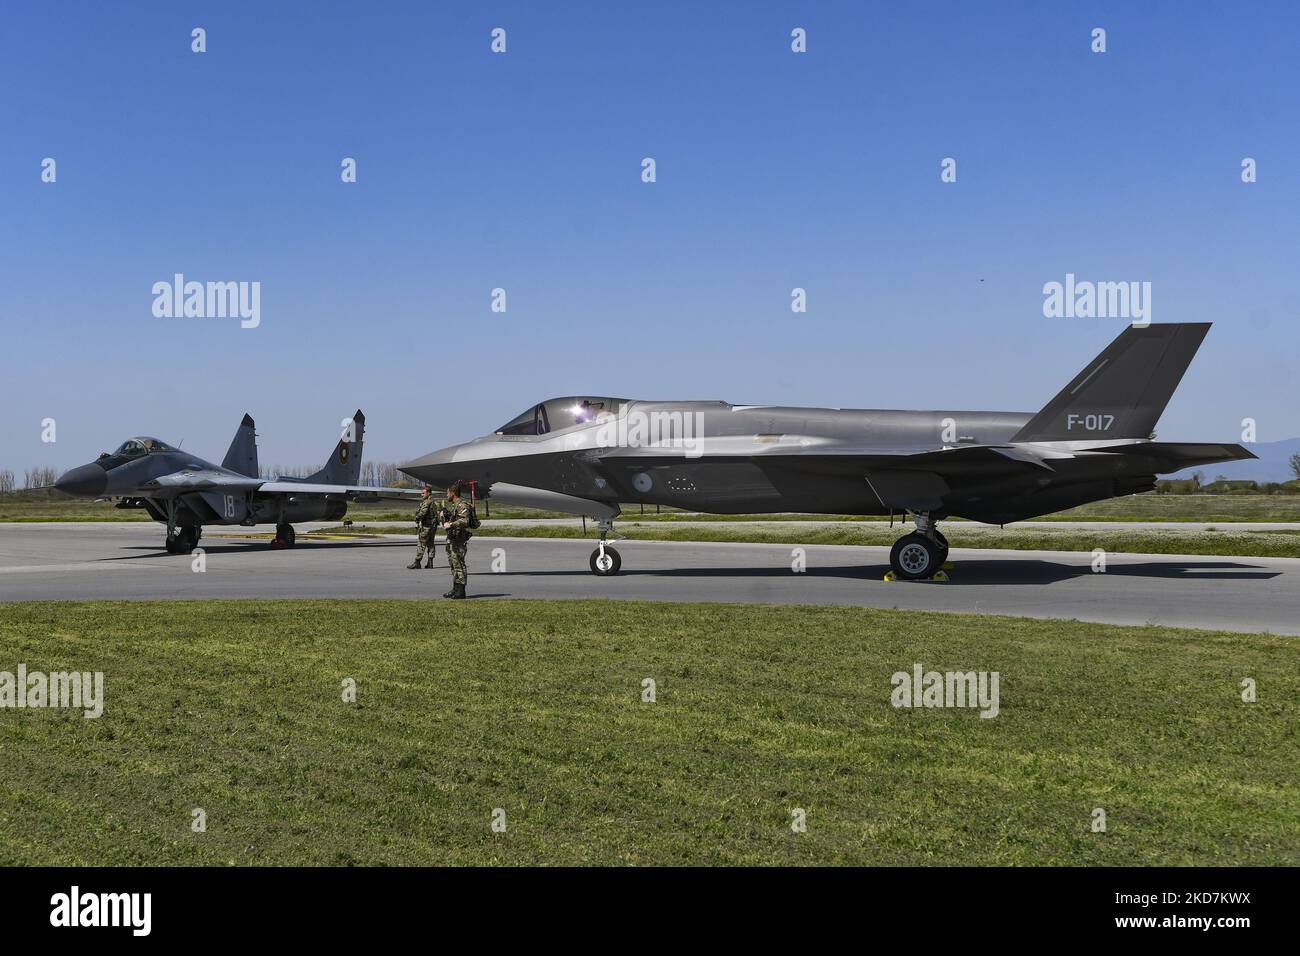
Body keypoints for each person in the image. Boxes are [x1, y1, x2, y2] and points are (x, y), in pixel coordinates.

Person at [441, 481, 472, 598]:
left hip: (459, 540)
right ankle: (455, 588)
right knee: (453, 564)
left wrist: (451, 524)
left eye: (447, 493)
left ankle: (461, 590)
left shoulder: (462, 505)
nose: (447, 495)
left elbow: (465, 521)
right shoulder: (455, 506)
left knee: (459, 564)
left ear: (453, 493)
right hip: (452, 538)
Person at [407, 486, 440, 569]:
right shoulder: (434, 502)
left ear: (428, 493)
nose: (421, 495)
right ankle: (430, 562)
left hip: (426, 526)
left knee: (421, 543)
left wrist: (417, 518)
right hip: (433, 526)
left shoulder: (427, 502)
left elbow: (423, 513)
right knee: (431, 544)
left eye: (423, 493)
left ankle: (417, 562)